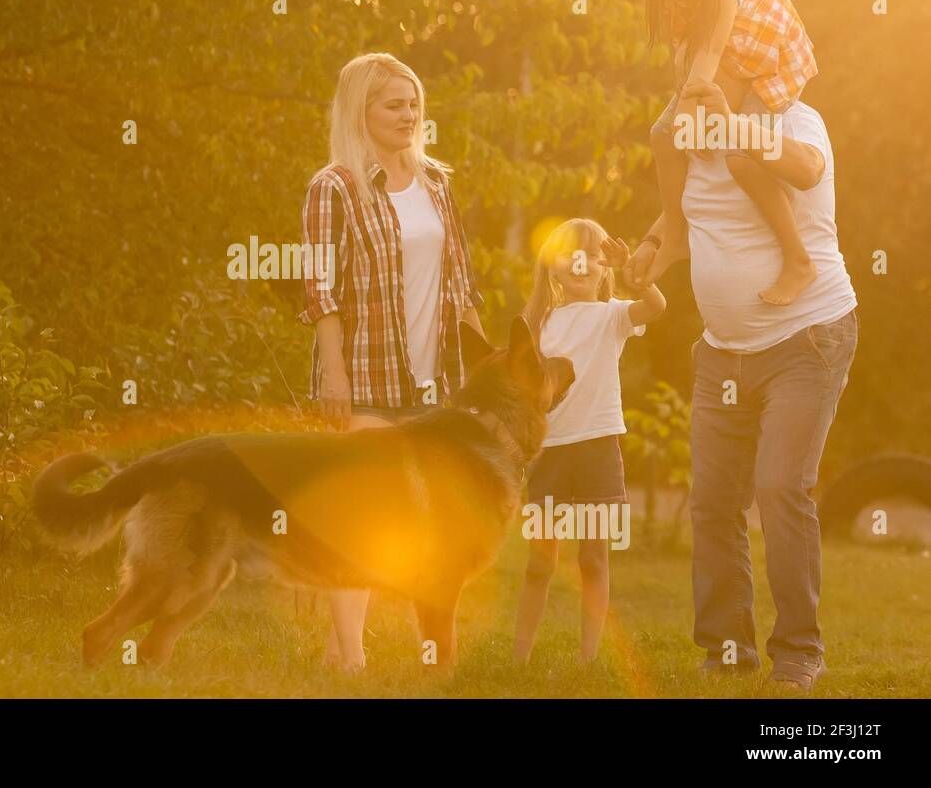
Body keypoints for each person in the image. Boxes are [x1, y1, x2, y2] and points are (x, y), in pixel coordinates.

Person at [627, 80, 857, 691]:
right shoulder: (693, 138)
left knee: (780, 486)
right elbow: (686, 207)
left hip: (807, 340)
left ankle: (798, 653)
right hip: (722, 353)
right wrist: (654, 245)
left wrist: (732, 125)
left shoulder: (797, 121)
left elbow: (806, 169)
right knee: (712, 501)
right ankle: (727, 651)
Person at [299, 52, 484, 671]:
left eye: (413, 104)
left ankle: (340, 646)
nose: (408, 115)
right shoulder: (334, 187)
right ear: (362, 111)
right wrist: (334, 372)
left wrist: (481, 372)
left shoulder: (436, 183)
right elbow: (320, 288)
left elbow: (459, 280)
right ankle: (352, 659)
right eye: (393, 105)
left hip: (435, 376)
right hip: (367, 370)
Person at [644, 0, 819, 306]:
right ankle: (674, 236)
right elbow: (687, 47)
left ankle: (798, 259)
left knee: (743, 158)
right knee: (662, 137)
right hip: (730, 64)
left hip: (769, 66)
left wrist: (693, 104)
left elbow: (712, 46)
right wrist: (687, 102)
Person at [513, 219, 665, 664]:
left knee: (593, 561)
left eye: (591, 255)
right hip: (549, 454)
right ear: (553, 270)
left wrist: (634, 275)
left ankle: (588, 659)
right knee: (540, 563)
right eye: (569, 254)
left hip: (598, 450)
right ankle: (520, 659)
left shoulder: (614, 314)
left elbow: (656, 307)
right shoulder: (536, 324)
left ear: (604, 268)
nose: (580, 262)